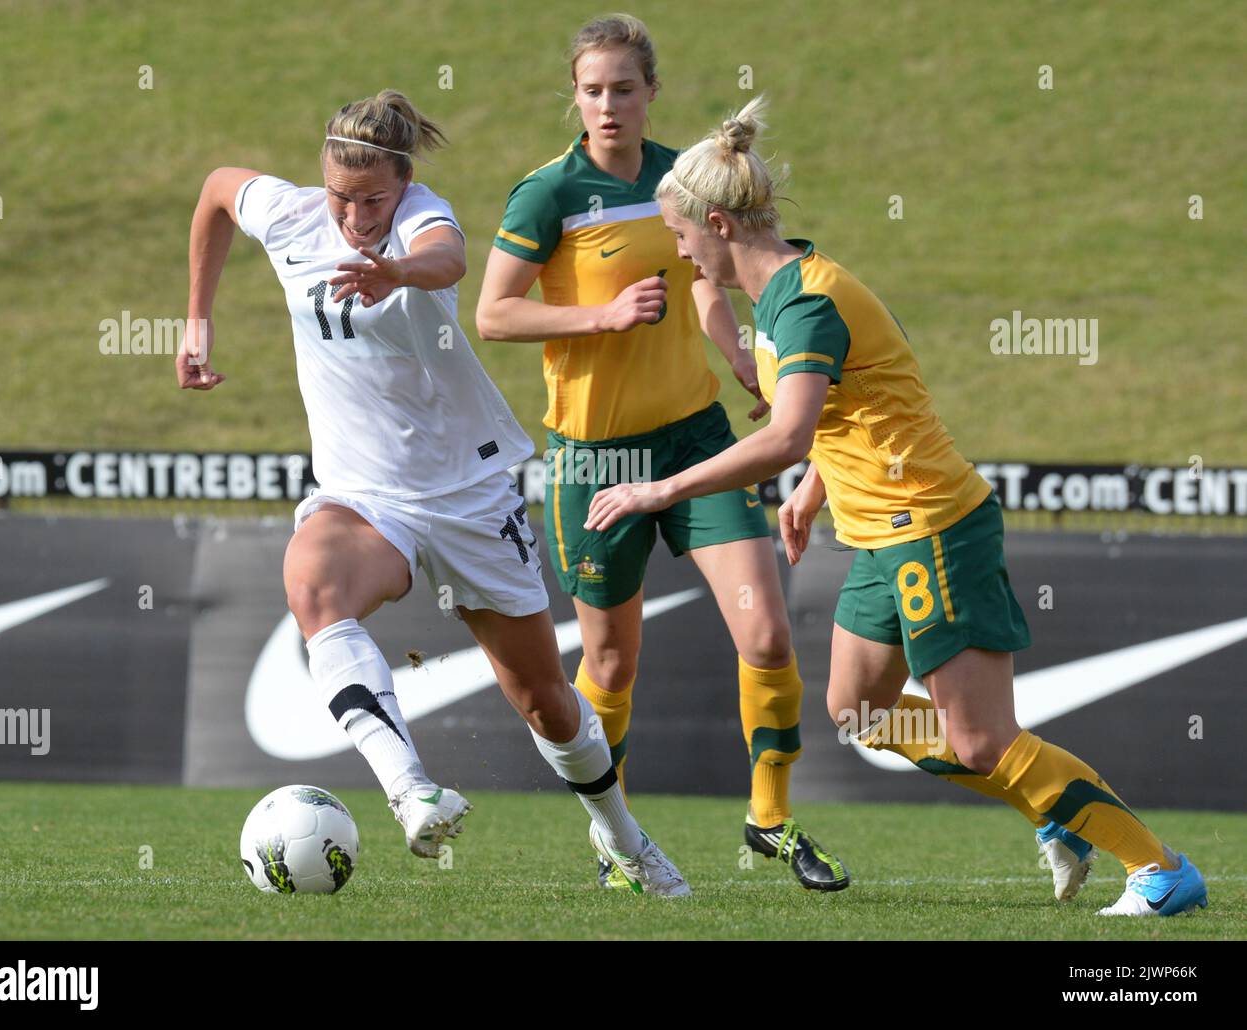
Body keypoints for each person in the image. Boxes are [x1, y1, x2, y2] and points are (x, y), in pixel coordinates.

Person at [584, 95, 1209, 917]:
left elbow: (785, 434)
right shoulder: (781, 295)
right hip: (876, 533)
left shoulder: (806, 301)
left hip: (933, 526)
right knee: (861, 712)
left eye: (680, 232)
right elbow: (855, 408)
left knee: (984, 738)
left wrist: (659, 488)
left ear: (720, 227)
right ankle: (1056, 808)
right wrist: (813, 490)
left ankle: (1159, 868)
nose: (679, 248)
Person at [178, 88, 688, 895]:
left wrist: (397, 272)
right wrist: (197, 322)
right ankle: (411, 790)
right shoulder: (291, 214)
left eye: (372, 198)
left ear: (403, 182)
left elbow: (449, 258)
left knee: (546, 702)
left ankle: (624, 838)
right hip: (364, 492)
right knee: (312, 584)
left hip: (468, 491)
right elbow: (214, 191)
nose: (353, 216)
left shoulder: (422, 216)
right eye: (341, 197)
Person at [476, 14, 848, 892]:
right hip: (592, 460)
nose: (608, 105)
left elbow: (705, 282)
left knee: (764, 631)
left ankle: (773, 819)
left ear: (651, 94)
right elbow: (492, 315)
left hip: (696, 437)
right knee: (608, 663)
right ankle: (620, 844)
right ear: (575, 96)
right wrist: (598, 318)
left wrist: (742, 361)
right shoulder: (547, 194)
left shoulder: (682, 180)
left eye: (624, 88)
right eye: (593, 89)